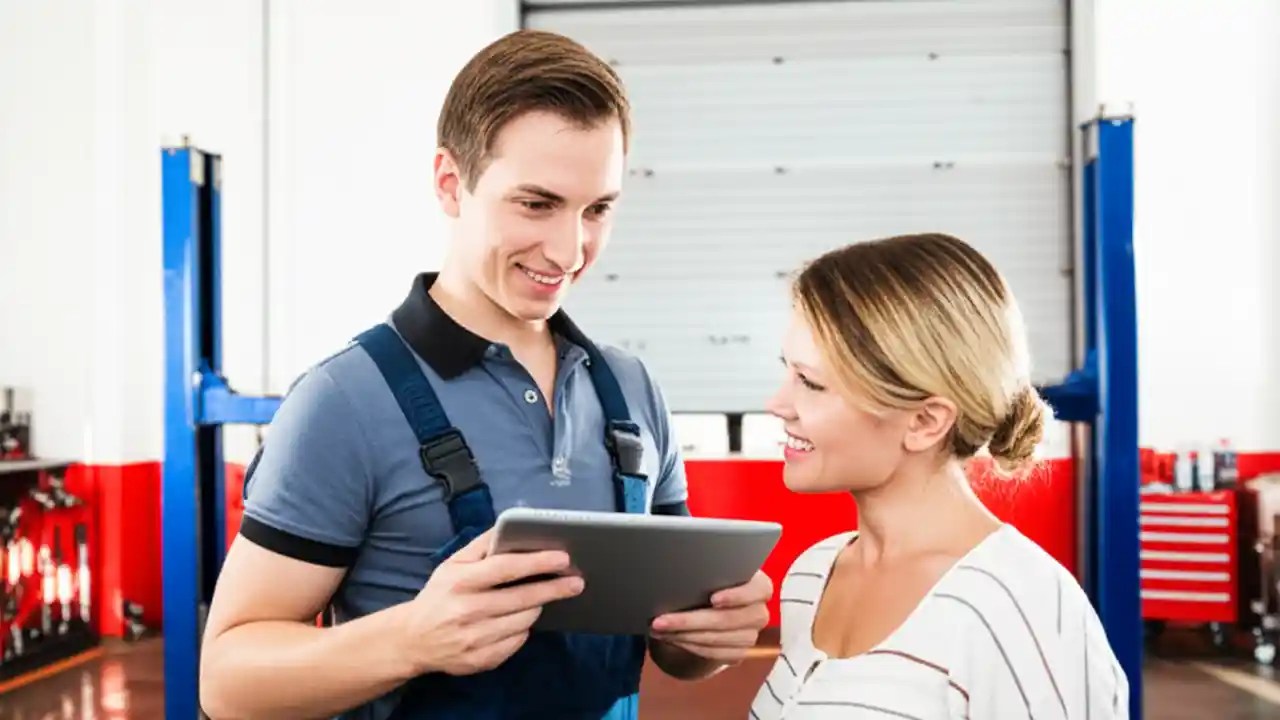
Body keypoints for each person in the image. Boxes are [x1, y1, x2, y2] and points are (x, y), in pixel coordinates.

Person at [198, 29, 772, 720]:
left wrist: (713, 637)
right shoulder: (343, 402)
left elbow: (676, 645)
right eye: (536, 204)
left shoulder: (631, 390)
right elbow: (227, 684)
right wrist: (410, 639)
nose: (569, 250)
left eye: (597, 209)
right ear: (451, 182)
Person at [749, 233, 1128, 719]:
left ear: (925, 422)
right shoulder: (811, 576)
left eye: (811, 383)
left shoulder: (1020, 607)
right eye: (789, 373)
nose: (778, 405)